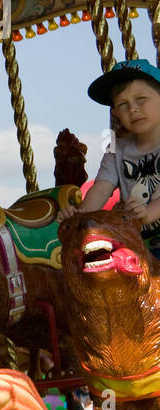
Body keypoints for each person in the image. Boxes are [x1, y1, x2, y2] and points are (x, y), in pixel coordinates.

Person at [60, 58, 160, 259]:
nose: (133, 109)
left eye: (141, 99)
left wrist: (149, 213)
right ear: (116, 114)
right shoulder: (116, 150)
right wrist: (83, 214)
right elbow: (101, 188)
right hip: (139, 241)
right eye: (123, 104)